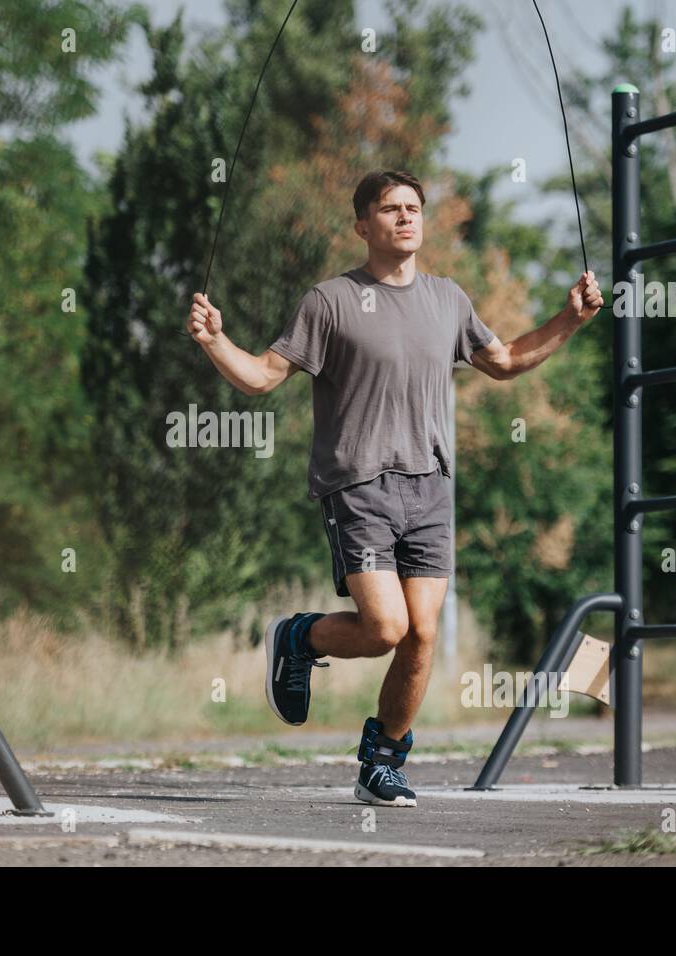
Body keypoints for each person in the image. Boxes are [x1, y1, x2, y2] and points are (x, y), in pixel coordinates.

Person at [185, 169, 603, 806]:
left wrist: (568, 320)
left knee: (422, 634)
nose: (406, 218)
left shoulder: (448, 299)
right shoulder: (330, 302)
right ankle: (298, 638)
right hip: (357, 486)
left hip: (430, 488)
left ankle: (382, 762)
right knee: (384, 628)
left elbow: (507, 361)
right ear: (363, 226)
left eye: (414, 208)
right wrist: (216, 340)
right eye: (390, 210)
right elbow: (262, 378)